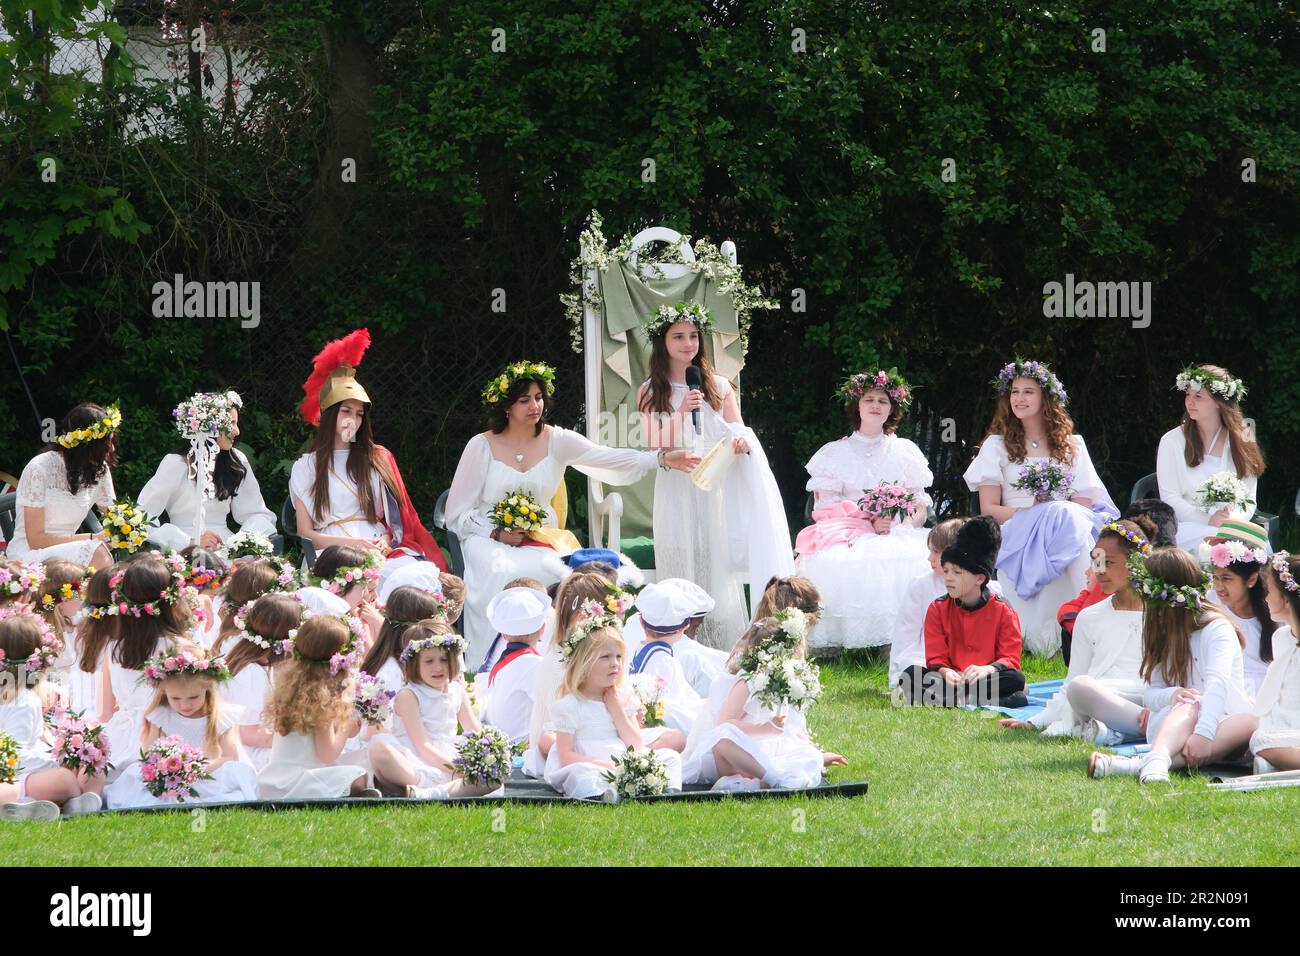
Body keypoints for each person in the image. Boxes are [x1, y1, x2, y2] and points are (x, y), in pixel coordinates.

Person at [446, 360, 698, 665]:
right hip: (486, 537)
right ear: (506, 406)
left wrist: (660, 459)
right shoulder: (481, 446)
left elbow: (606, 458)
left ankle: (556, 658)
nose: (534, 406)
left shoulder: (557, 440)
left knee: (559, 573)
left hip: (541, 536)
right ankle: (488, 660)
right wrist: (496, 532)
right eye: (524, 400)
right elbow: (457, 512)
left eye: (538, 398)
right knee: (502, 571)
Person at [638, 303, 794, 649]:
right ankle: (675, 636)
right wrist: (681, 411)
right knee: (680, 553)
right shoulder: (651, 390)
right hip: (677, 483)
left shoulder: (720, 386)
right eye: (678, 336)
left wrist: (739, 440)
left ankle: (718, 640)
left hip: (714, 482)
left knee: (714, 558)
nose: (687, 343)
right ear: (663, 342)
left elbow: (735, 428)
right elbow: (655, 444)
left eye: (693, 336)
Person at [964, 359, 1116, 656]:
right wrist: (1032, 514)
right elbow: (989, 508)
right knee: (1062, 516)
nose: (1019, 399)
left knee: (1066, 517)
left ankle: (1088, 623)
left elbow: (1084, 503)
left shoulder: (1073, 445)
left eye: (1028, 392)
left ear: (1045, 398)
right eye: (1015, 392)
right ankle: (1056, 633)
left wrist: (1051, 514)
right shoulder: (996, 445)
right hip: (1017, 527)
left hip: (1067, 526)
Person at [290, 328, 447, 580]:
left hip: (380, 550)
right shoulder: (306, 466)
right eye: (346, 411)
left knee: (418, 576)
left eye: (359, 413)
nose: (353, 419)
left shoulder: (377, 458)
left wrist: (383, 540)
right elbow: (306, 534)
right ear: (329, 415)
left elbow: (394, 522)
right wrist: (354, 545)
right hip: (331, 553)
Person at [1088, 549, 1255, 783]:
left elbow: (1217, 686)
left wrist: (1203, 734)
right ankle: (1157, 758)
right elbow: (1151, 694)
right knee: (1191, 701)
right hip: (1172, 727)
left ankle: (1145, 764)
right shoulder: (1162, 631)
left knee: (1248, 719)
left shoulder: (1216, 629)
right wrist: (1173, 694)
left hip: (1220, 725)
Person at [796, 369, 933, 652]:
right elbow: (824, 508)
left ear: (892, 408)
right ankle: (850, 641)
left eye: (882, 401)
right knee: (836, 560)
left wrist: (900, 526)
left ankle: (897, 644)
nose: (875, 405)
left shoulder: (905, 451)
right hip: (848, 531)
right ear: (856, 406)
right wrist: (868, 522)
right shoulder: (833, 453)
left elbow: (919, 505)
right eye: (868, 399)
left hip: (898, 530)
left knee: (910, 555)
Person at [1000, 517, 1156, 741]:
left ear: (1136, 563)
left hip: (1149, 697)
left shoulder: (1162, 614)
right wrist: (1034, 722)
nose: (1100, 571)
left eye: (1109, 562)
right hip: (1099, 697)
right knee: (1080, 689)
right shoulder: (1090, 616)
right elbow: (1072, 682)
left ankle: (1114, 731)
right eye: (1096, 562)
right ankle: (1130, 729)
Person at [681, 613, 846, 791]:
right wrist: (763, 729)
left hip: (768, 749)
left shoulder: (783, 683)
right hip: (740, 754)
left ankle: (756, 783)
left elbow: (788, 727)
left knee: (808, 754)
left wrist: (816, 754)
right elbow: (725, 723)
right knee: (722, 738)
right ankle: (771, 778)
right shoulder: (747, 682)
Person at [543, 615, 683, 801]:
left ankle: (665, 790)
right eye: (605, 657)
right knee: (581, 775)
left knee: (670, 757)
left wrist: (617, 709)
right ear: (583, 664)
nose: (615, 663)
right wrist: (602, 764)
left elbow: (636, 744)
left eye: (618, 657)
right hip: (589, 763)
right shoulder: (570, 705)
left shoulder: (623, 698)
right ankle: (605, 794)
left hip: (622, 758)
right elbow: (566, 755)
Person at [104, 648, 257, 807]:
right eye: (175, 698)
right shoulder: (161, 716)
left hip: (208, 776)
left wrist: (195, 769)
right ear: (164, 693)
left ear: (207, 688)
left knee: (236, 773)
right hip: (171, 779)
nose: (185, 704)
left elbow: (230, 757)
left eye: (193, 697)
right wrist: (171, 771)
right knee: (137, 779)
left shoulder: (221, 717)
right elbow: (150, 756)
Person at [902, 515, 1028, 708]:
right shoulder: (938, 608)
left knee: (1015, 678)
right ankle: (972, 699)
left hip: (984, 678)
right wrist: (945, 671)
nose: (949, 579)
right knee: (910, 675)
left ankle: (952, 700)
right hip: (951, 680)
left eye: (957, 573)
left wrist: (987, 669)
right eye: (946, 571)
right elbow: (935, 656)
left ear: (979, 578)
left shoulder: (1003, 610)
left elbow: (1010, 657)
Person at [256, 615, 380, 799]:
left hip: (276, 779)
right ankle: (351, 793)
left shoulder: (293, 686)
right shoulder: (322, 699)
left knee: (363, 759)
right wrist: (346, 727)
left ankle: (351, 792)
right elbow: (327, 754)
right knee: (360, 774)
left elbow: (320, 739)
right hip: (300, 781)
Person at [368, 624, 497, 798]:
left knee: (495, 778)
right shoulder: (409, 695)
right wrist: (458, 770)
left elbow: (475, 730)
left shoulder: (456, 690)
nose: (438, 668)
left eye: (444, 660)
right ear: (414, 663)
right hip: (415, 759)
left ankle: (427, 793)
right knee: (380, 749)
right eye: (429, 661)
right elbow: (423, 746)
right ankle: (427, 787)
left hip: (449, 755)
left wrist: (492, 752)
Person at [137, 391, 277, 552]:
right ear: (211, 426)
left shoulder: (236, 461)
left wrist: (240, 542)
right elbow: (142, 517)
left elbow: (257, 513)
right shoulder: (176, 464)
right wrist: (188, 541)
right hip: (183, 549)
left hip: (225, 546)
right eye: (231, 423)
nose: (237, 431)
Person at [0, 608, 103, 819]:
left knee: (81, 763)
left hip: (16, 775)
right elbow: (16, 756)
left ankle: (52, 804)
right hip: (17, 776)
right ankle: (73, 800)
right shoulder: (23, 700)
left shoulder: (20, 696)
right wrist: (50, 761)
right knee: (66, 779)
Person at [1157, 364, 1265, 551]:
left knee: (1253, 546)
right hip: (1187, 526)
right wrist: (1208, 519)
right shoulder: (1171, 441)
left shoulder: (1243, 437)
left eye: (1198, 397)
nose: (1190, 402)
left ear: (1218, 402)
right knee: (1218, 546)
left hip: (1232, 527)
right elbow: (1170, 498)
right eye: (1188, 395)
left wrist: (1231, 524)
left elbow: (1249, 497)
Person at [8, 403, 120, 570]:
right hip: (30, 555)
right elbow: (36, 540)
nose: (112, 448)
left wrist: (128, 531)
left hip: (69, 552)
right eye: (106, 443)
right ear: (87, 445)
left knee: (102, 552)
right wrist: (91, 538)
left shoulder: (99, 469)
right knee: (97, 552)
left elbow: (114, 517)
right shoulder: (39, 468)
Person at [1202, 519, 1275, 697]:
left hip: (1261, 693)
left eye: (1227, 578)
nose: (1218, 587)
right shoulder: (1210, 603)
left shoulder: (1274, 612)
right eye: (1215, 577)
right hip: (1217, 687)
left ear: (1251, 579)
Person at [480, 587, 550, 746]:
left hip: (497, 739)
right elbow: (552, 707)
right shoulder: (534, 664)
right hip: (519, 746)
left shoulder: (506, 660)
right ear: (543, 629)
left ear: (503, 634)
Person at [1250, 553, 1300, 772]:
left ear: (1286, 600)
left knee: (1260, 741)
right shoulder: (1281, 638)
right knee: (1259, 736)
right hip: (1281, 729)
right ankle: (1279, 762)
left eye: (1269, 592)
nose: (1266, 599)